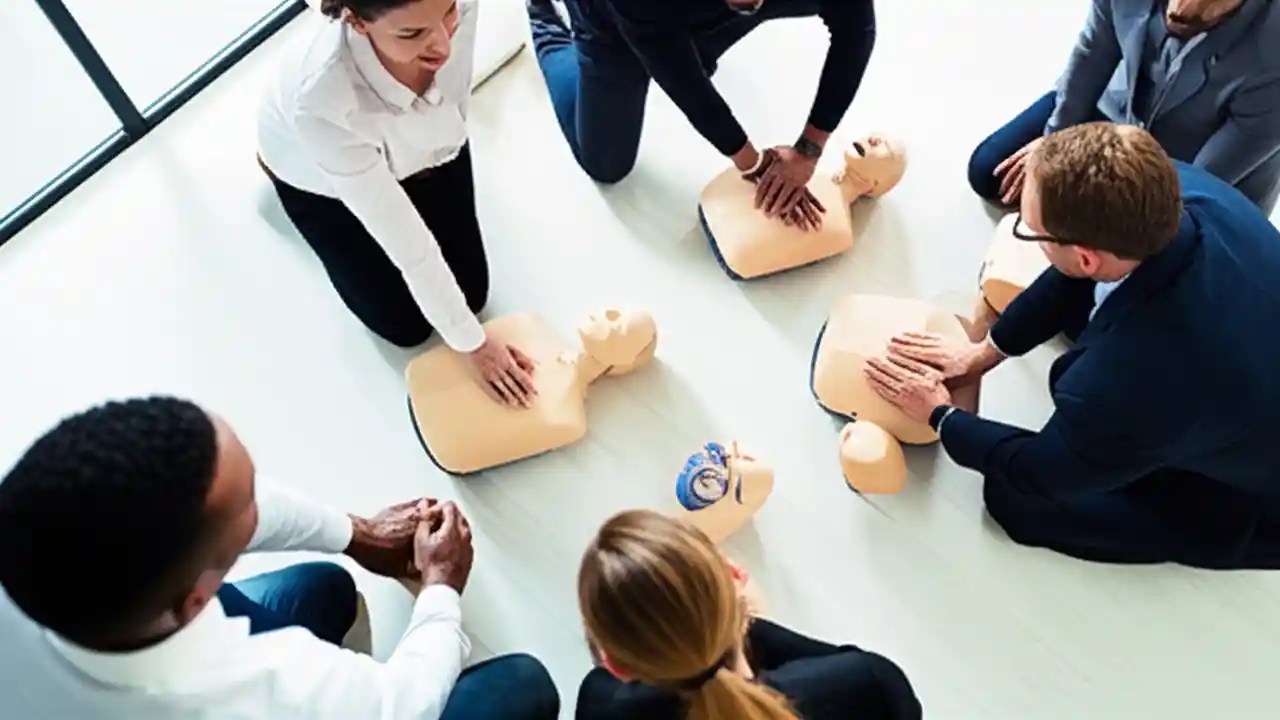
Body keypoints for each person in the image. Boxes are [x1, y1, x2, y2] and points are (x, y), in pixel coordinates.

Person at [866, 122, 1280, 569]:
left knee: (1015, 499)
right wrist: (985, 351)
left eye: (1031, 231)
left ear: (1086, 255)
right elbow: (1072, 278)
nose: (1026, 235)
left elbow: (1037, 473)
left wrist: (940, 415)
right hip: (1242, 368)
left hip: (1254, 493)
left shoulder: (1131, 379)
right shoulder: (1171, 188)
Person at [0, 397, 560, 719]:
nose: (260, 502)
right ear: (198, 599)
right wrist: (441, 587)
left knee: (323, 588)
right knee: (523, 686)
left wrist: (356, 535)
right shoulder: (266, 690)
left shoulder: (59, 561)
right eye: (247, 511)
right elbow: (403, 704)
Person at [259, 0, 537, 407]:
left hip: (427, 144)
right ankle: (273, 174)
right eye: (412, 33)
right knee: (404, 326)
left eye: (448, 13)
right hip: (321, 180)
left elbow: (452, 95)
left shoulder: (459, 6)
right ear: (356, 21)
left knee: (472, 295)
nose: (442, 43)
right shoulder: (321, 102)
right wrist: (476, 347)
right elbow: (408, 245)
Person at [525, 0, 877, 226]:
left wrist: (809, 149)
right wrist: (751, 161)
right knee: (606, 164)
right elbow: (673, 68)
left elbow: (856, 27)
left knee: (699, 53)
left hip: (673, 15)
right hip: (609, 16)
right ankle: (543, 18)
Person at [575, 509, 922, 719]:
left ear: (616, 665)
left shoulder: (602, 705)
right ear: (735, 573)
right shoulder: (864, 686)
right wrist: (744, 620)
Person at [968, 0, 1280, 215]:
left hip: (1188, 165)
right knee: (989, 171)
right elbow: (1093, 52)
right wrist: (1056, 142)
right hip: (1116, 110)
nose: (1180, 9)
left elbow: (1201, 182)